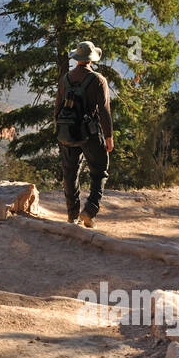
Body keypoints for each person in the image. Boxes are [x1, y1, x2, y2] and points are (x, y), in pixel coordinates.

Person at [55, 41, 113, 228]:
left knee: (70, 173)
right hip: (90, 133)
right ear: (91, 60)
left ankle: (72, 215)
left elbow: (57, 108)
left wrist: (60, 131)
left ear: (77, 59)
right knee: (99, 171)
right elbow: (104, 112)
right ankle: (89, 212)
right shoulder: (98, 80)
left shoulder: (65, 79)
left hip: (68, 132)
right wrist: (109, 137)